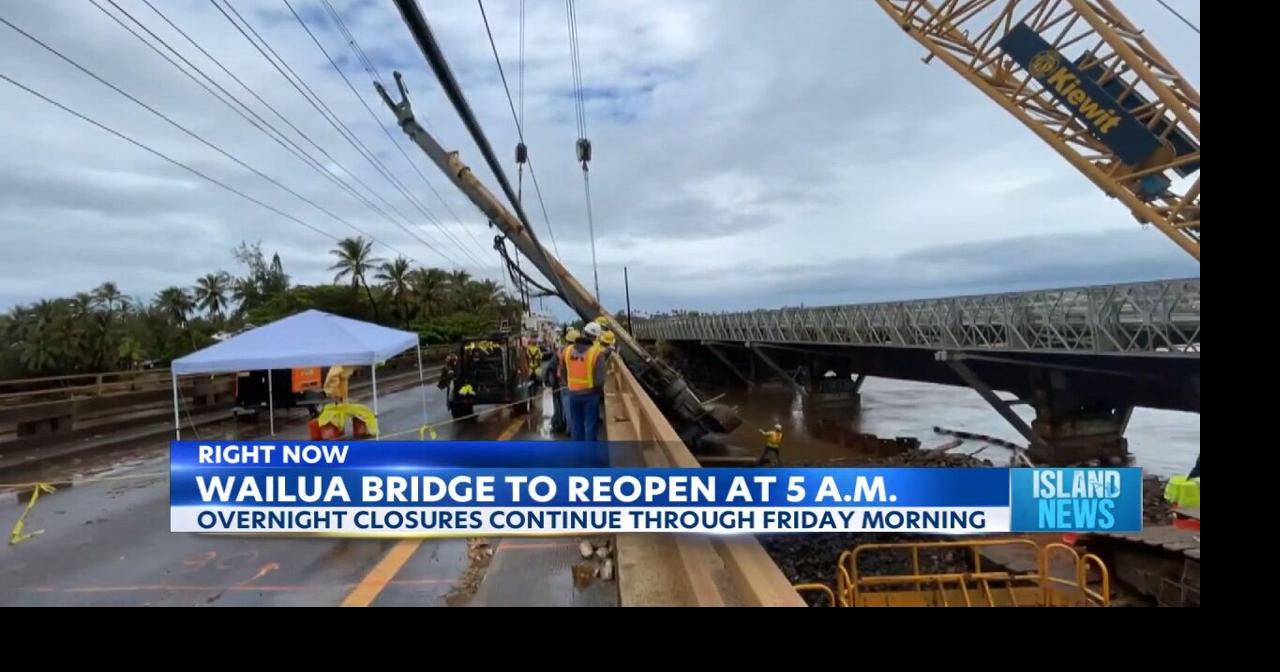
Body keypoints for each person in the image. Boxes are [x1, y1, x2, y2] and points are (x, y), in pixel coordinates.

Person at [560, 322, 607, 442]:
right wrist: (597, 391)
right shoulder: (597, 353)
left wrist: (570, 384)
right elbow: (599, 380)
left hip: (573, 394)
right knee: (590, 426)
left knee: (577, 426)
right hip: (591, 395)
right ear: (596, 337)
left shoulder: (567, 351)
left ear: (583, 333)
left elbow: (563, 372)